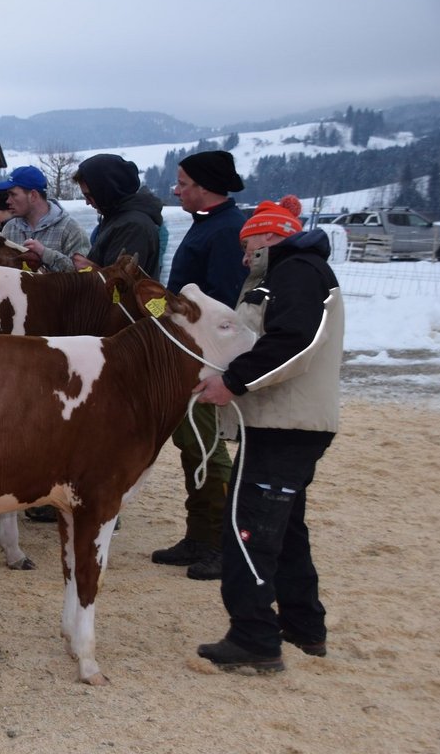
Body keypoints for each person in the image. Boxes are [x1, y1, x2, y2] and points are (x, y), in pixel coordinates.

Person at [192, 195, 343, 673]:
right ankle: (304, 625)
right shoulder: (292, 272)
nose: (243, 256)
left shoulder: (296, 272)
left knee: (248, 529)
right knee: (286, 529)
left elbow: (294, 340)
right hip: (286, 422)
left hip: (285, 424)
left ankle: (254, 638)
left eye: (247, 244)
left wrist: (233, 382)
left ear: (270, 235)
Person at [151, 150, 251, 580]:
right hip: (187, 353)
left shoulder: (226, 231)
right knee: (191, 443)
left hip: (202, 358)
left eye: (183, 183)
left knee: (206, 445)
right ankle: (200, 534)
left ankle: (221, 543)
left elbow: (221, 305)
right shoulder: (208, 224)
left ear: (205, 187)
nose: (176, 191)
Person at [71, 153, 164, 278]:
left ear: (106, 191)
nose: (87, 202)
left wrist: (90, 270)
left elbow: (122, 283)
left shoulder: (132, 227)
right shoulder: (117, 219)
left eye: (89, 196)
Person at [0, 166, 89, 272]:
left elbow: (84, 276)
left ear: (33, 195)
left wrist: (45, 254)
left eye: (13, 194)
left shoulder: (71, 230)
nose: (8, 201)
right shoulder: (9, 229)